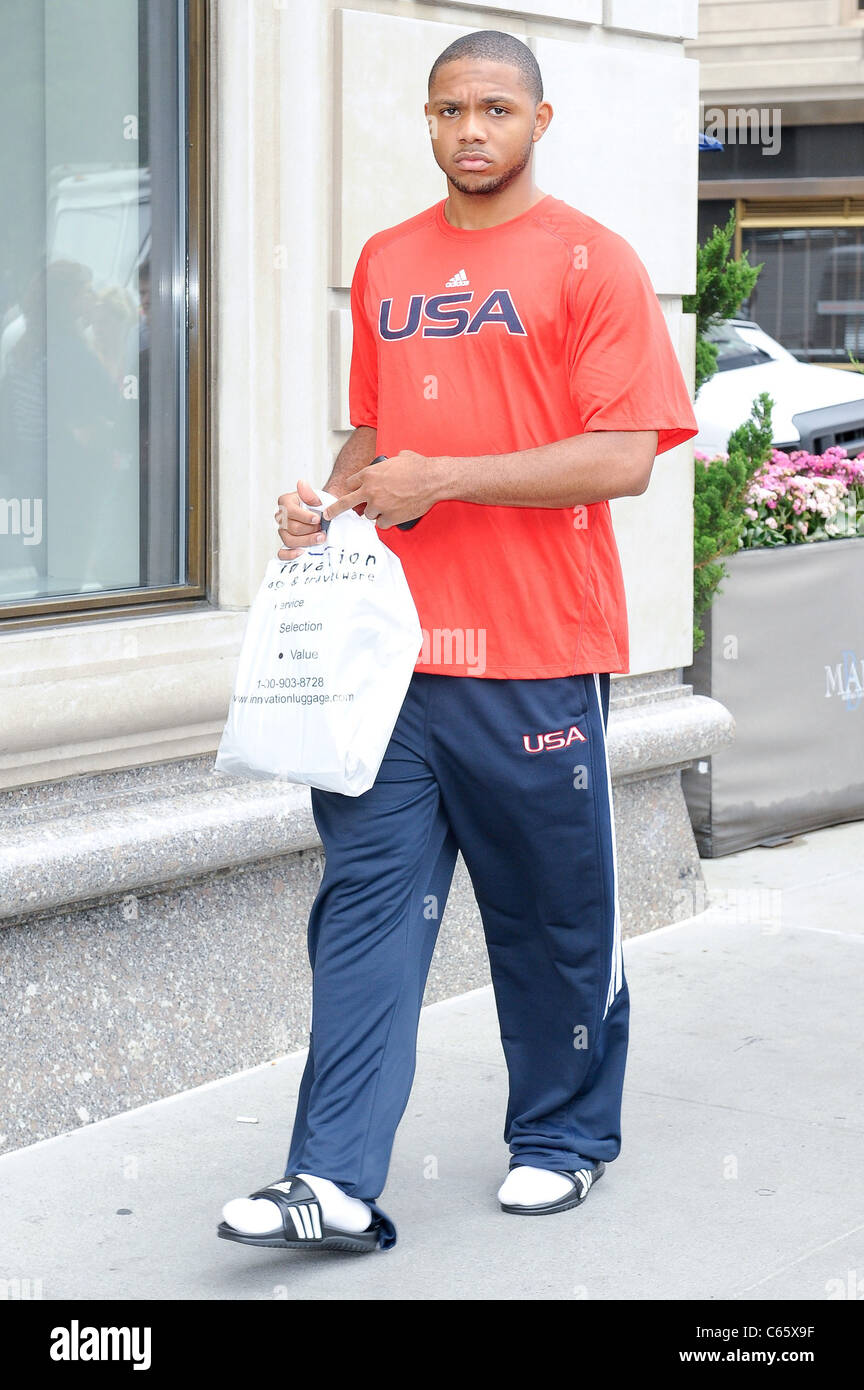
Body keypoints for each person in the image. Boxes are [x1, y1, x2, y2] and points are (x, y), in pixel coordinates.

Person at [217, 28, 698, 1255]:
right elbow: (373, 438)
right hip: (391, 665)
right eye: (446, 110)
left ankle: (564, 1137)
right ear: (424, 123)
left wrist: (451, 478)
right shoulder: (387, 260)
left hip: (537, 650)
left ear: (541, 121)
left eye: (493, 108)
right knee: (366, 911)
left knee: (552, 916)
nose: (468, 130)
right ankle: (328, 1177)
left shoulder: (592, 260)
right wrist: (325, 505)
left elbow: (626, 456)